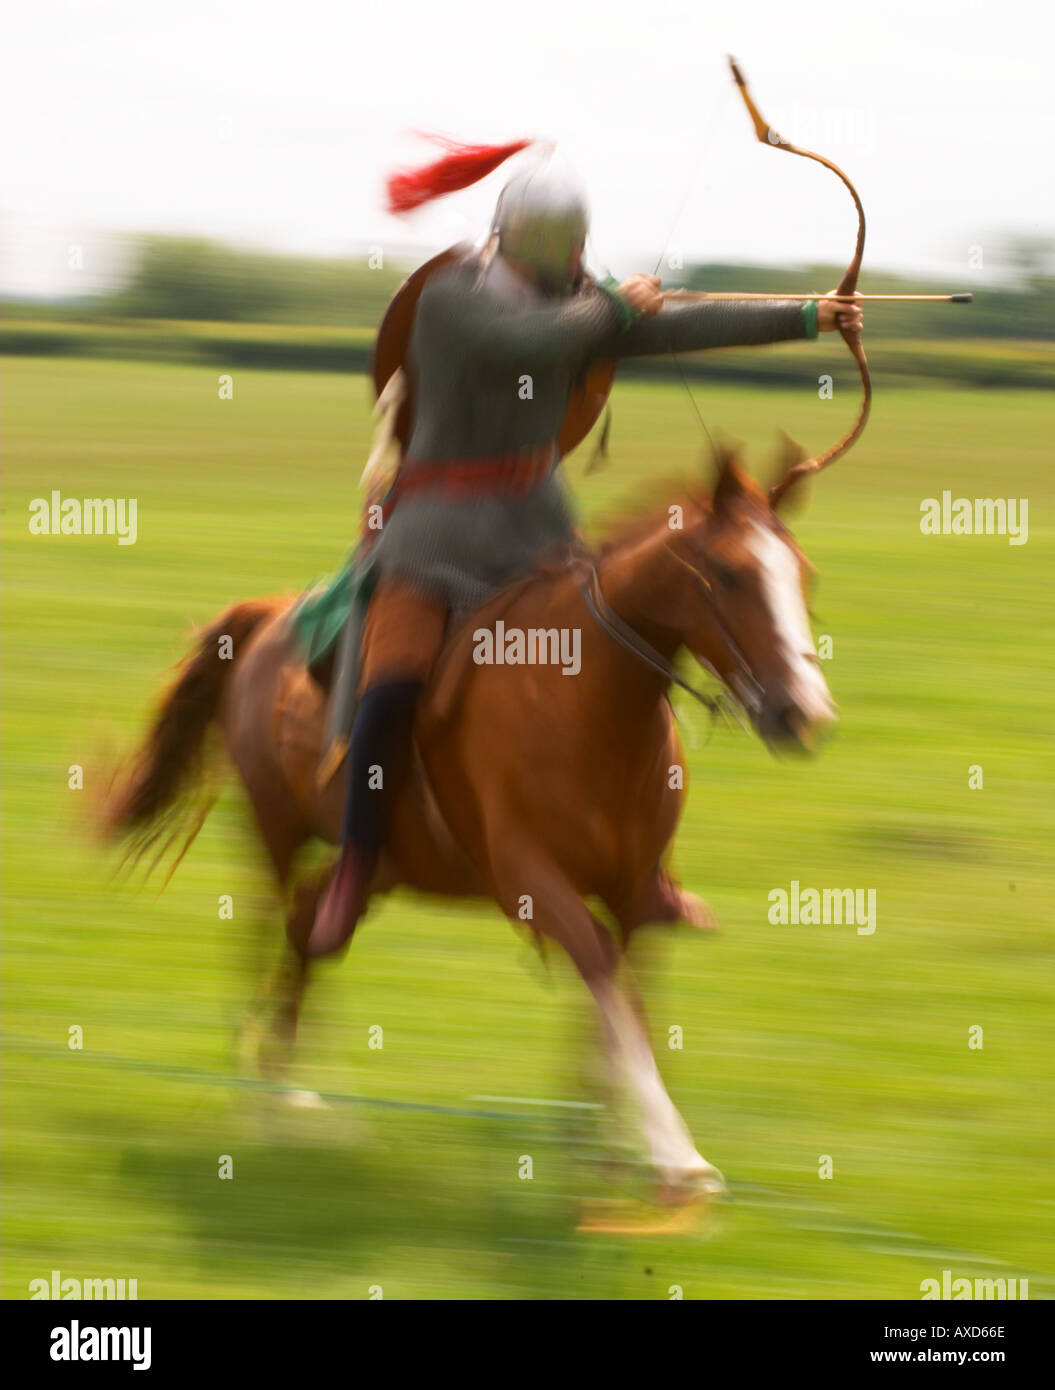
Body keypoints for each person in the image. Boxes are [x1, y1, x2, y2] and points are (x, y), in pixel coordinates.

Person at [307, 157, 862, 957]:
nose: (571, 262)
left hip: (537, 530)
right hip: (434, 535)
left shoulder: (582, 301)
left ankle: (647, 872)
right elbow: (522, 343)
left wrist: (809, 314)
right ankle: (357, 867)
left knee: (627, 660)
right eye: (558, 248)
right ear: (518, 241)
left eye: (577, 250)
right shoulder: (453, 301)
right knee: (390, 688)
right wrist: (611, 307)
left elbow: (673, 324)